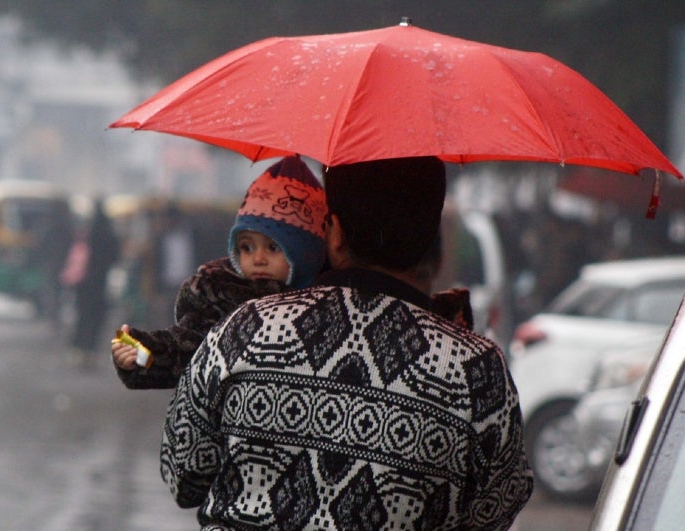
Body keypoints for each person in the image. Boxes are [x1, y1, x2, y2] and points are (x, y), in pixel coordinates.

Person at [160, 156, 532, 529]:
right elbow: (497, 508)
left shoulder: (243, 329)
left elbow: (183, 474)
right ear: (429, 240)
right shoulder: (476, 369)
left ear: (333, 233)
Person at [112, 155, 328, 389]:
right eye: (247, 247)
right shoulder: (222, 297)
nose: (258, 258)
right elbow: (185, 348)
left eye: (274, 247)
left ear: (307, 252)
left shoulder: (328, 306)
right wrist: (144, 354)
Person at [70, 199, 120, 366]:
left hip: (83, 283)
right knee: (96, 319)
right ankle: (90, 351)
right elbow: (115, 258)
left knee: (83, 317)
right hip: (100, 285)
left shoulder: (86, 233)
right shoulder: (110, 234)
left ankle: (80, 349)